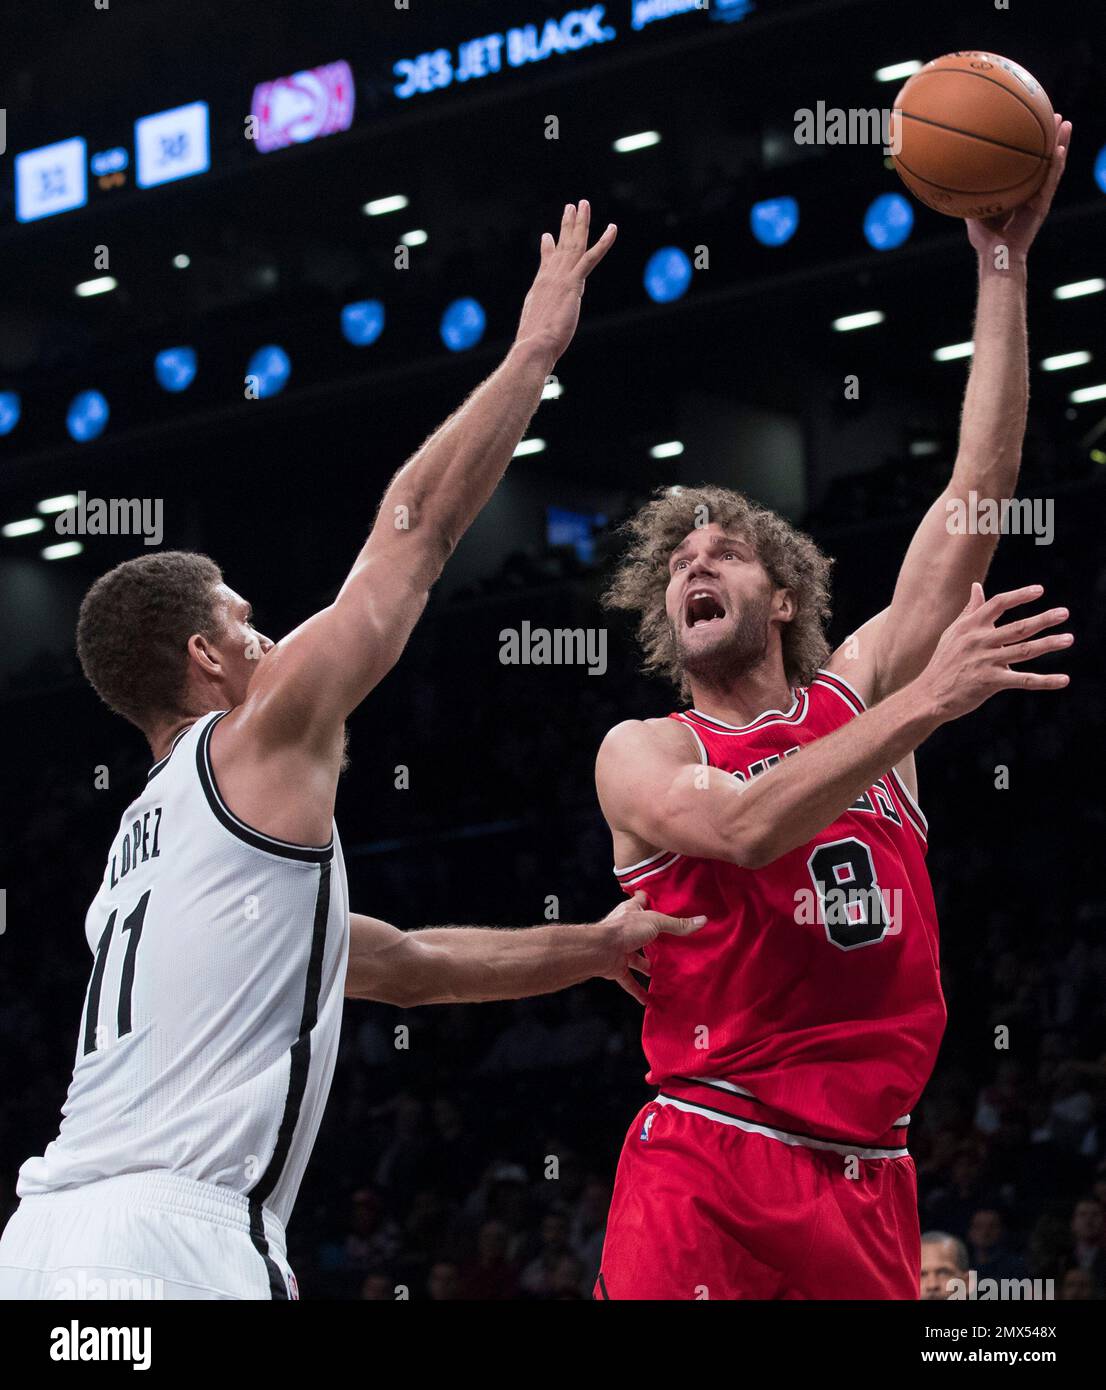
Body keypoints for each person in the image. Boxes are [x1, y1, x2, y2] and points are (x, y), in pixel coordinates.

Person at [0, 202, 701, 1302]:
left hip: (42, 1244)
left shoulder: (152, 849)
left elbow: (404, 967)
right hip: (173, 1242)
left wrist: (594, 945)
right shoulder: (255, 736)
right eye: (244, 619)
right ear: (203, 654)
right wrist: (533, 351)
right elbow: (409, 544)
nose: (269, 636)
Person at [592, 120, 1073, 1300]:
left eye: (724, 550)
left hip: (870, 1175)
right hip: (708, 1149)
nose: (692, 565)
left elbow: (974, 495)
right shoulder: (645, 749)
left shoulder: (857, 687)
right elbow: (748, 828)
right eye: (676, 562)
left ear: (785, 591)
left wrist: (1000, 267)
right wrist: (925, 707)